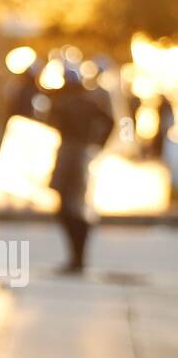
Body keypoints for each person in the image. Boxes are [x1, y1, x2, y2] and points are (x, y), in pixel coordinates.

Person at [49, 69, 113, 272]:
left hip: (70, 155)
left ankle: (77, 257)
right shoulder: (88, 102)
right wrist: (98, 144)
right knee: (74, 207)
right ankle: (77, 257)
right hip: (81, 154)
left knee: (70, 209)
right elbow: (109, 121)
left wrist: (97, 144)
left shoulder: (65, 104)